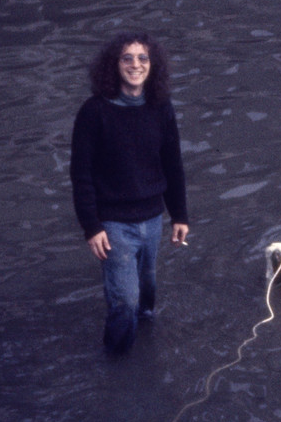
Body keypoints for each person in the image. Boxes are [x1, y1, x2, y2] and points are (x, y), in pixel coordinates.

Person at [69, 31, 191, 353]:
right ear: (115, 65)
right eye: (127, 58)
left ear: (152, 65)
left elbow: (173, 164)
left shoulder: (161, 107)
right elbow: (81, 175)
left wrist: (179, 215)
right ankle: (118, 362)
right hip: (113, 225)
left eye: (143, 58)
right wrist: (91, 227)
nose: (136, 65)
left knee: (147, 297)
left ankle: (148, 352)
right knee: (125, 300)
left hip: (152, 219)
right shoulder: (94, 112)